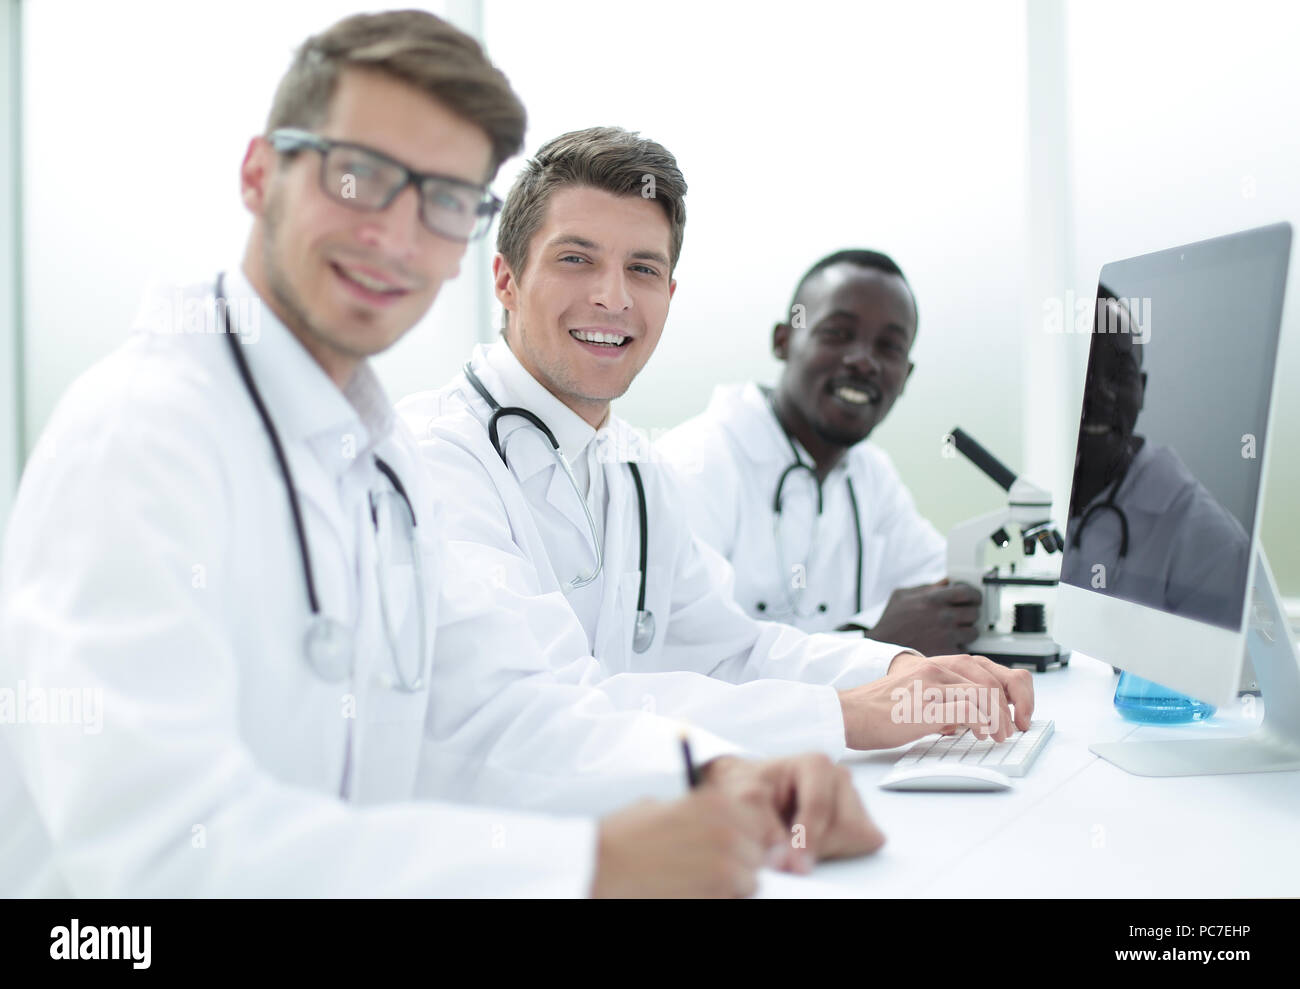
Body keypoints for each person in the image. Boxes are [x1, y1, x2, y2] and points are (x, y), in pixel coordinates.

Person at [0, 10, 869, 899]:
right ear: (260, 173)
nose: (397, 234)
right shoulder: (142, 439)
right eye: (358, 176)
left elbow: (498, 708)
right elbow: (155, 850)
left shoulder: (373, 461)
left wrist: (719, 772)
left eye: (445, 199)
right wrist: (579, 868)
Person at [397, 129, 1034, 817]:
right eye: (576, 258)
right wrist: (851, 715)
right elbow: (545, 717)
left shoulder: (632, 467)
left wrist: (897, 671)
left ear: (669, 292)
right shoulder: (437, 461)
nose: (613, 298)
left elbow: (731, 650)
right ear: (506, 280)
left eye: (642, 269)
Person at [657, 249, 982, 655]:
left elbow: (941, 581)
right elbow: (690, 657)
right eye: (837, 334)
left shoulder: (869, 474)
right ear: (784, 340)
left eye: (889, 347)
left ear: (907, 376)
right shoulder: (697, 463)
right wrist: (871, 643)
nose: (864, 362)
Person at [1061, 292, 1250, 629]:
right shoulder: (1051, 489)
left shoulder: (1210, 541)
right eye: (1083, 373)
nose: (1099, 394)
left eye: (1119, 376)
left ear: (1142, 388)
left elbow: (1213, 673)